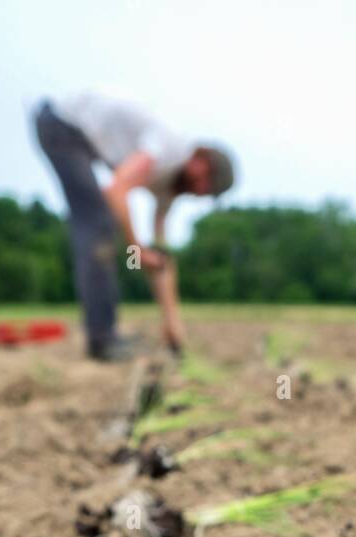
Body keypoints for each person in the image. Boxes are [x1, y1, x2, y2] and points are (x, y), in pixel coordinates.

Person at [33, 91, 235, 360]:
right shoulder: (169, 146)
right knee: (98, 223)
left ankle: (105, 336)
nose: (200, 195)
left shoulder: (170, 187)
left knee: (101, 221)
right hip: (62, 124)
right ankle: (102, 341)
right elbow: (117, 189)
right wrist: (135, 250)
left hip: (85, 140)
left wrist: (172, 321)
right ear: (202, 164)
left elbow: (162, 258)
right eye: (206, 188)